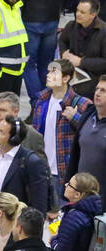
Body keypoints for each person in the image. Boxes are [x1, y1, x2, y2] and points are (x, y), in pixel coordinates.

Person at [0, 119, 52, 251]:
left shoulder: (31, 162)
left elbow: (38, 208)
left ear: (13, 138)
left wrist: (27, 239)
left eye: (1, 131)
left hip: (14, 232)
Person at [34, 61, 94, 202]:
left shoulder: (83, 104)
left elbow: (93, 133)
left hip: (64, 174)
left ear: (66, 78)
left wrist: (75, 118)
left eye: (54, 72)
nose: (48, 75)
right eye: (49, 71)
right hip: (41, 172)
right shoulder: (42, 100)